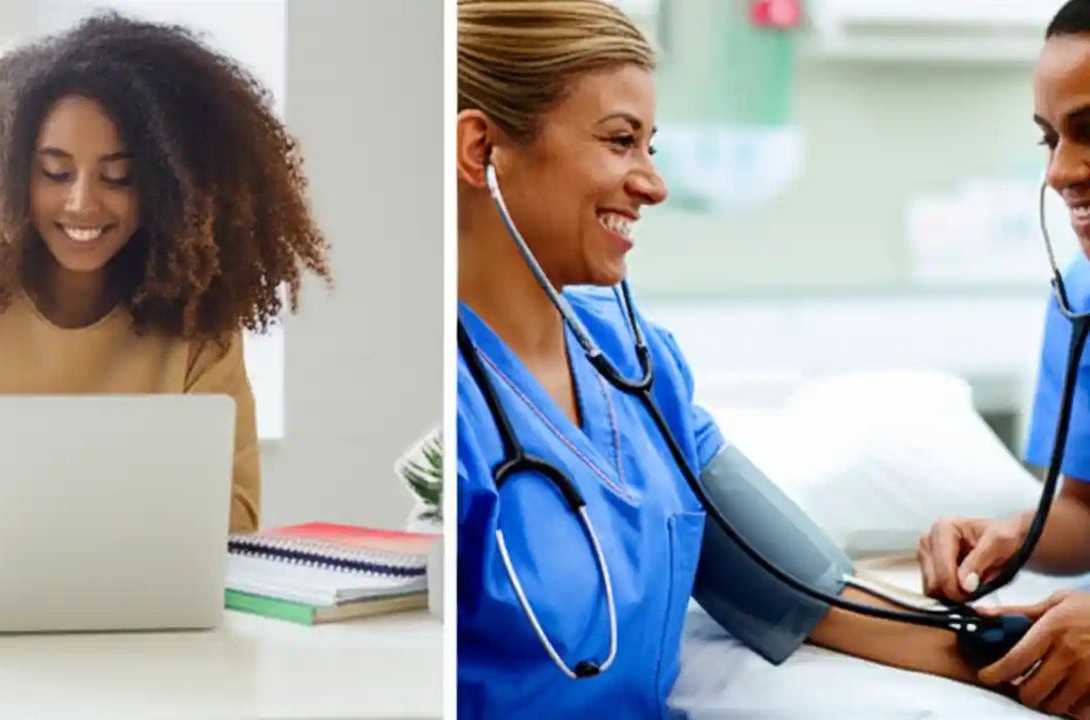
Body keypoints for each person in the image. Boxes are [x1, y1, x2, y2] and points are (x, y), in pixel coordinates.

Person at [455, 0, 1090, 717]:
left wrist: (1020, 658)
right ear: (480, 149)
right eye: (620, 140)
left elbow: (798, 588)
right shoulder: (436, 402)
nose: (653, 184)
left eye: (649, 148)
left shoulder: (637, 366)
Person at [0, 12, 330, 570]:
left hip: (139, 629)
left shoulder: (198, 330)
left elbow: (233, 517)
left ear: (169, 187)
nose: (83, 203)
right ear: (11, 176)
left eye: (118, 178)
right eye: (55, 173)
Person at [918, 1, 1090, 715]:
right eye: (1049, 139)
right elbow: (1084, 507)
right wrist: (1013, 535)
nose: (1059, 172)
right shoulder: (1081, 297)